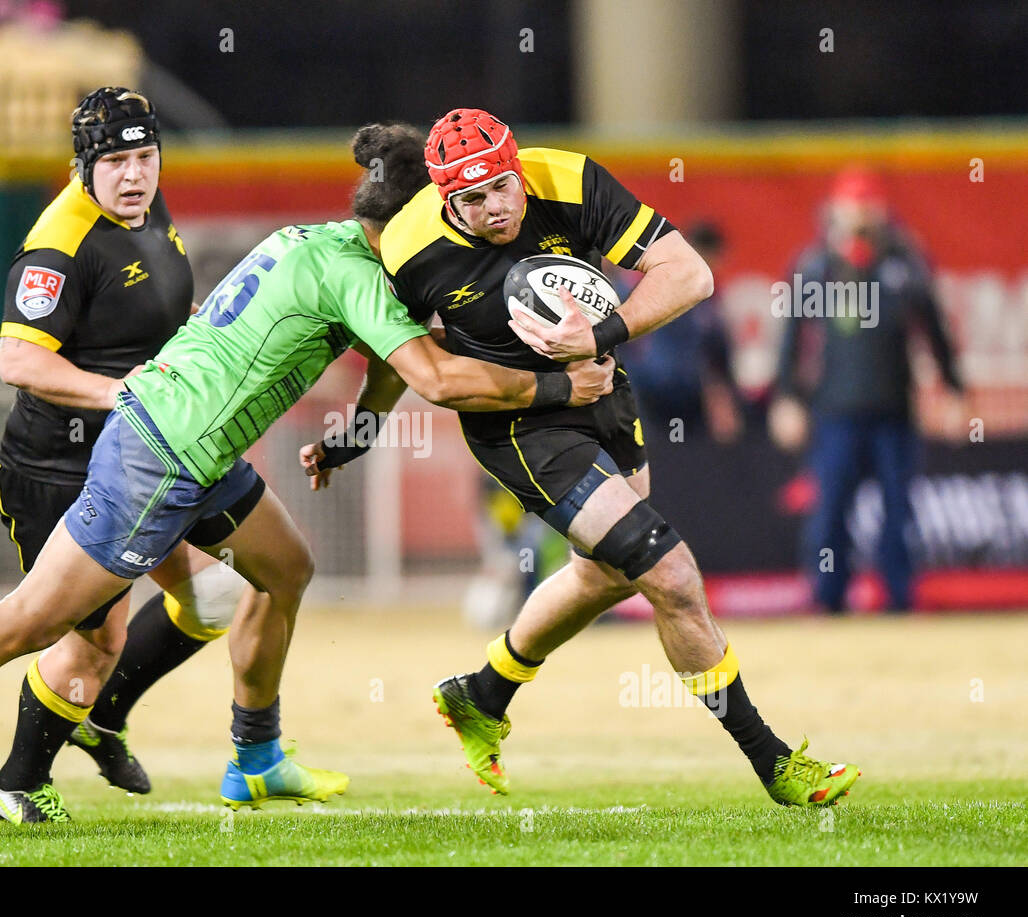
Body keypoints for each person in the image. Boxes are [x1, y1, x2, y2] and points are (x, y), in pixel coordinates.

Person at [0, 123, 614, 829]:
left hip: (197, 445)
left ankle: (254, 757)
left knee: (283, 569)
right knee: (32, 623)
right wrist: (559, 385)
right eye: (443, 213)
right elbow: (433, 375)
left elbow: (395, 358)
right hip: (164, 454)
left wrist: (354, 435)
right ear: (411, 217)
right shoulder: (360, 275)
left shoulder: (326, 245)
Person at [305, 108, 859, 807]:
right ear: (444, 199)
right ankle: (773, 760)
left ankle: (482, 693)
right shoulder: (411, 247)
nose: (494, 209)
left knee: (604, 575)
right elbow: (399, 360)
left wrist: (600, 331)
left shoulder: (565, 178)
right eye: (471, 199)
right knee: (672, 576)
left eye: (502, 187)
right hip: (515, 426)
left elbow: (688, 274)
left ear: (518, 167)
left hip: (599, 387)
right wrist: (359, 432)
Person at [0, 86, 247, 823]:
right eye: (115, 161)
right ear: (83, 165)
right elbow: (18, 361)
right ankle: (14, 781)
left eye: (145, 156)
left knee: (219, 594)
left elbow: (151, 314)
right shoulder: (59, 241)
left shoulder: (145, 206)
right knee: (87, 636)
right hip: (58, 472)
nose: (134, 174)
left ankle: (101, 719)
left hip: (140, 457)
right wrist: (118, 393)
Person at [768, 167, 965, 612]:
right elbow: (792, 341)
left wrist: (953, 389)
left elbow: (934, 331)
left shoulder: (903, 264)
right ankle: (827, 600)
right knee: (830, 510)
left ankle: (900, 599)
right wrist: (787, 398)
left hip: (894, 411)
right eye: (851, 203)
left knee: (899, 511)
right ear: (835, 209)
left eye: (867, 203)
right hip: (835, 412)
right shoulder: (817, 267)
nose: (859, 213)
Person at [619, 221, 743, 443]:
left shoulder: (710, 300)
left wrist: (722, 394)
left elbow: (718, 353)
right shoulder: (657, 286)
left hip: (691, 405)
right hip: (651, 398)